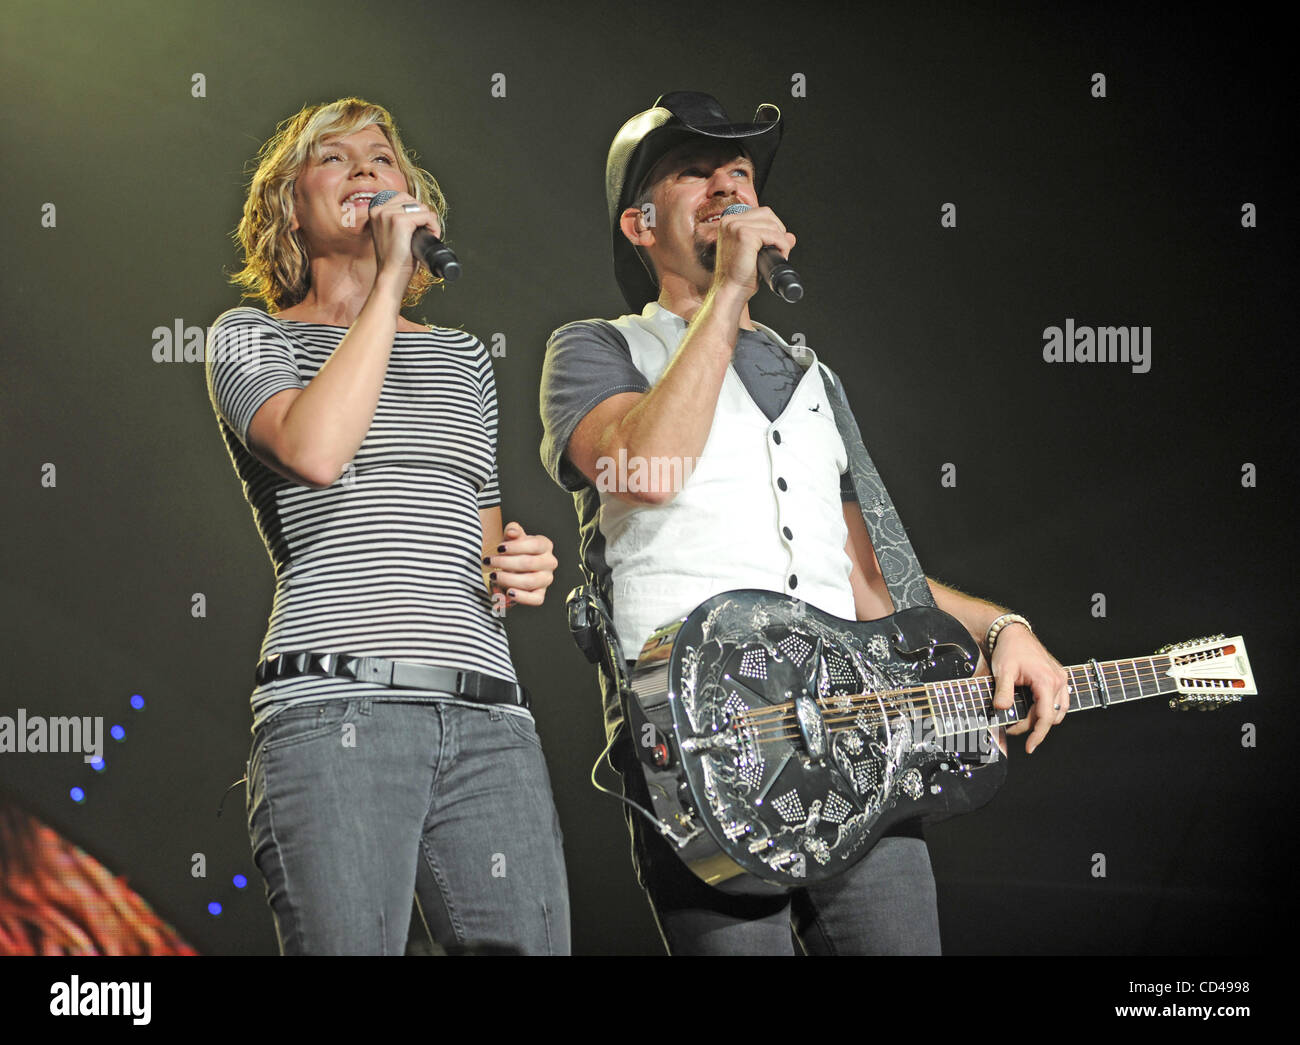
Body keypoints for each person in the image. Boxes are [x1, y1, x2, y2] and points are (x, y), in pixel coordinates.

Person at [539, 91, 1070, 955]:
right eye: (693, 172)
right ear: (640, 225)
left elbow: (870, 586)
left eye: (739, 172)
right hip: (711, 754)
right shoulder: (596, 350)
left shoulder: (814, 379)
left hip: (859, 746)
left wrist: (1005, 627)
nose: (726, 186)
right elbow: (653, 468)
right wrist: (730, 294)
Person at [206, 97, 568, 955]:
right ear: (289, 206)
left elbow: (478, 532)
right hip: (335, 708)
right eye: (335, 158)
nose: (367, 167)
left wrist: (515, 563)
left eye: (383, 155)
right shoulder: (247, 337)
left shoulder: (462, 358)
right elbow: (317, 450)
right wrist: (388, 288)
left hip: (488, 721)